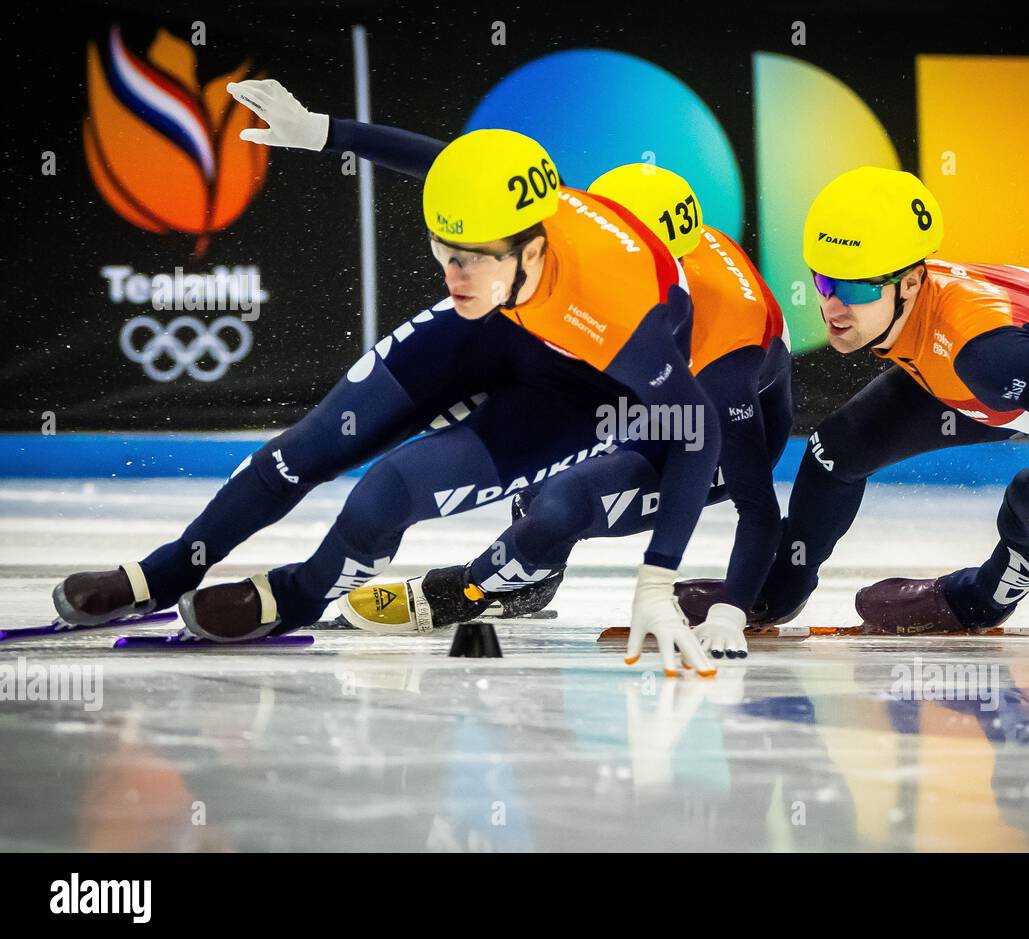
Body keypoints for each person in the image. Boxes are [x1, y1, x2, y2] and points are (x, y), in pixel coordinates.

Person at [52, 79, 719, 676]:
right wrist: (321, 132)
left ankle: (298, 593)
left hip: (579, 389)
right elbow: (442, 163)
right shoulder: (493, 240)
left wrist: (656, 580)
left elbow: (698, 431)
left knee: (383, 494)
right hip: (501, 322)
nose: (452, 276)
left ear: (534, 248)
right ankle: (167, 570)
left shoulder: (627, 314)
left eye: (472, 260)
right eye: (443, 253)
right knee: (303, 449)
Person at [683, 166, 1029, 679]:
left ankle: (977, 602)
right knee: (836, 448)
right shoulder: (922, 317)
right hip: (1024, 364)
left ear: (911, 283)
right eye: (823, 281)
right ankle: (777, 592)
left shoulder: (983, 354)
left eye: (861, 289)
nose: (834, 306)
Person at [339, 163, 791, 661]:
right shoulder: (646, 261)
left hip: (707, 434)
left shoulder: (724, 358)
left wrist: (732, 611)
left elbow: (759, 510)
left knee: (561, 503)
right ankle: (534, 567)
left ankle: (470, 589)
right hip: (653, 392)